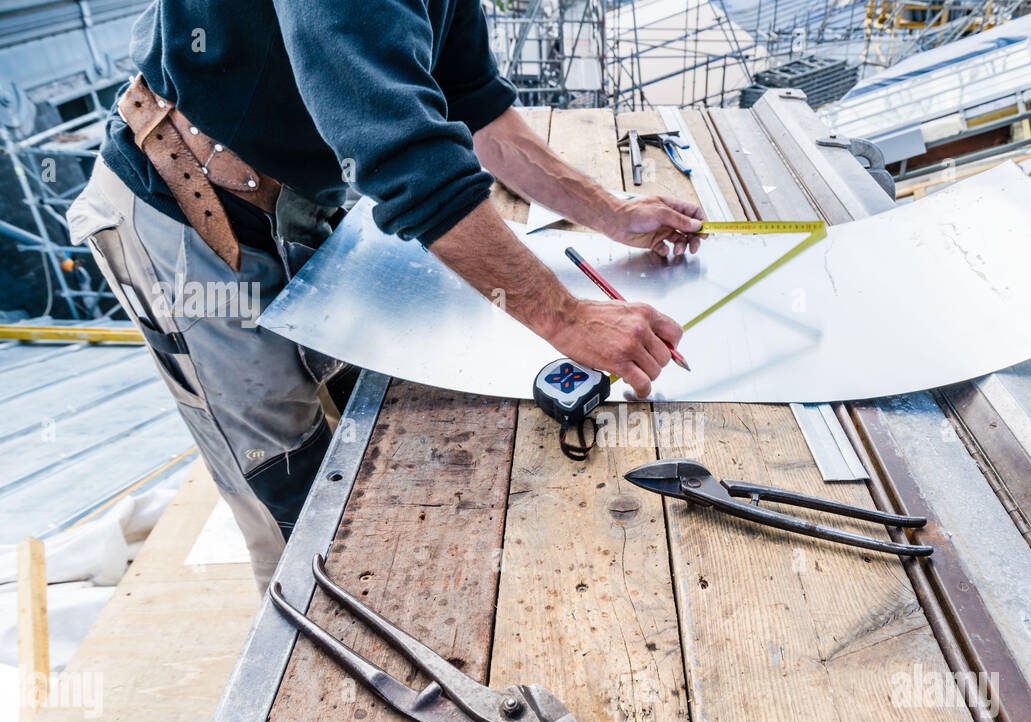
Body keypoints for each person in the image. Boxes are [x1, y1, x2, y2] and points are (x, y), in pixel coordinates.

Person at [68, 0, 703, 590]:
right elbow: (403, 158)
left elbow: (478, 110)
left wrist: (611, 213)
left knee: (357, 423)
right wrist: (565, 318)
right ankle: (303, 661)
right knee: (284, 481)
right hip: (184, 207)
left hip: (293, 199)